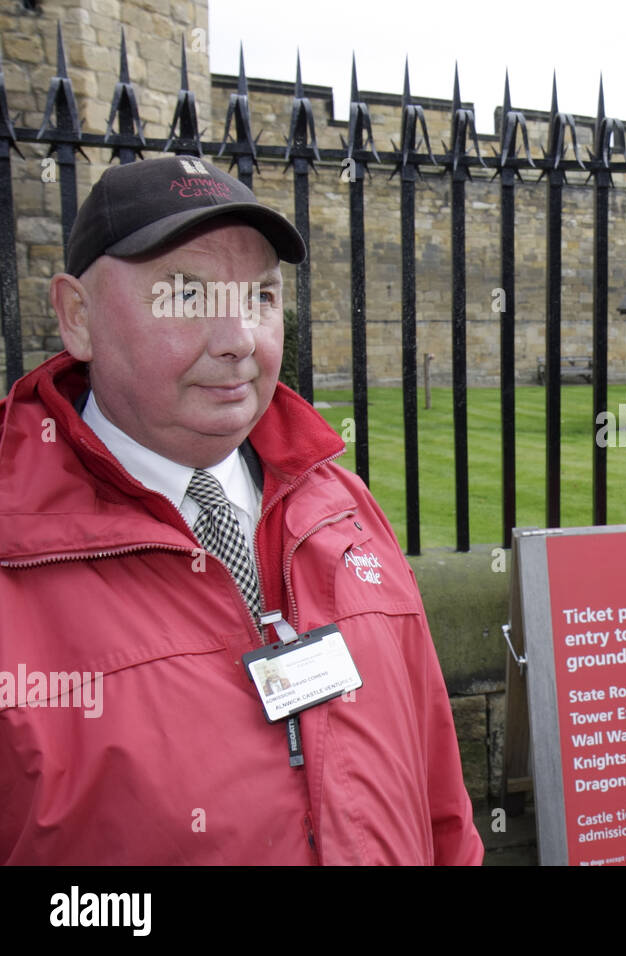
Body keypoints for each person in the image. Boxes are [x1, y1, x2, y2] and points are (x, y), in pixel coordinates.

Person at [0, 156, 483, 864]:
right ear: (79, 317)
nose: (241, 340)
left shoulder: (343, 510)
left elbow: (442, 801)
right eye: (187, 295)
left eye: (260, 296)